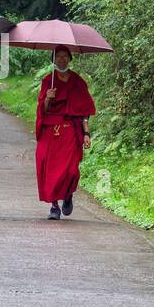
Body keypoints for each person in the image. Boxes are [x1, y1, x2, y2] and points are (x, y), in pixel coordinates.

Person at [34, 46, 95, 219]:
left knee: (70, 170)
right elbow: (42, 110)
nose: (61, 59)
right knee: (49, 167)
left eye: (64, 56)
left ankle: (67, 195)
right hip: (50, 131)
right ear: (53, 60)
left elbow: (84, 111)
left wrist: (86, 134)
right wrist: (47, 98)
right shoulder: (48, 80)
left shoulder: (77, 81)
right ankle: (54, 206)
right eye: (58, 56)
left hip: (70, 130)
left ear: (70, 59)